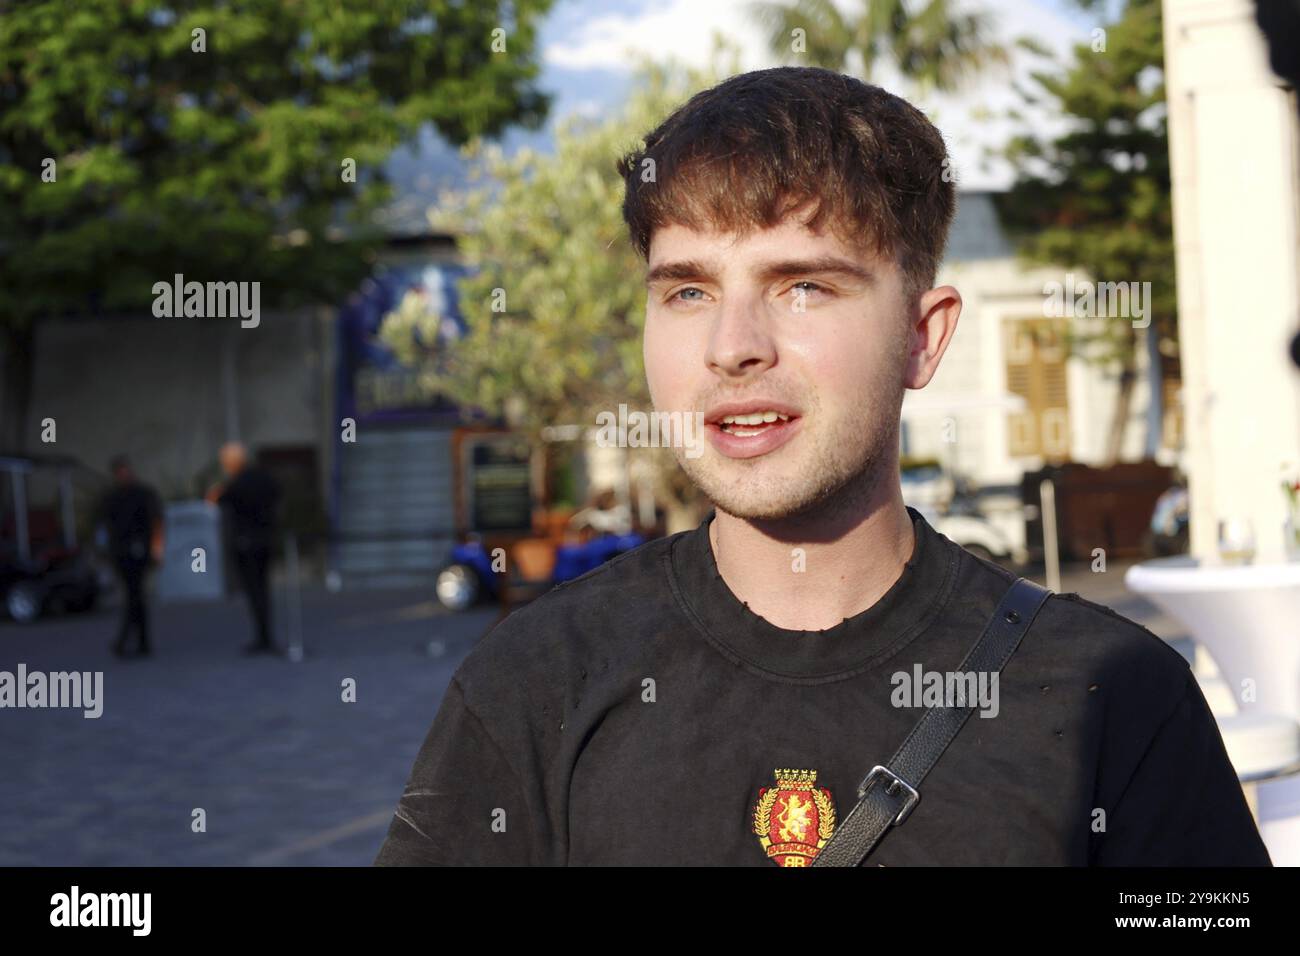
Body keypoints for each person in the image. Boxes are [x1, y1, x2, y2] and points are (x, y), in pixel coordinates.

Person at [374, 68, 1271, 866]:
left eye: (803, 285)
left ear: (924, 337)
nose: (732, 348)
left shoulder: (1109, 697)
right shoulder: (534, 685)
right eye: (688, 290)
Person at [210, 442, 281, 655]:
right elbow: (278, 494)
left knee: (254, 590)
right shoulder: (263, 477)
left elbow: (217, 501)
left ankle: (263, 637)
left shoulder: (237, 483)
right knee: (263, 590)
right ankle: (265, 635)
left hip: (246, 541)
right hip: (265, 539)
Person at [99, 455, 162, 658]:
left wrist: (156, 549)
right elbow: (106, 526)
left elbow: (156, 522)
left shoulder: (143, 494)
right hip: (121, 552)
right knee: (136, 596)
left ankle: (125, 640)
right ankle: (142, 642)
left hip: (139, 550)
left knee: (135, 595)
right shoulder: (112, 497)